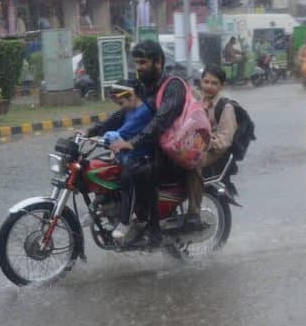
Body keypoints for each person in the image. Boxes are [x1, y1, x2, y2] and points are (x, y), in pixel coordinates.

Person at [101, 40, 190, 244]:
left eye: (143, 63)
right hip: (150, 148)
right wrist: (93, 130)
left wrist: (132, 142)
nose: (138, 68)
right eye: (136, 63)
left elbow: (160, 121)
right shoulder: (143, 87)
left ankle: (152, 227)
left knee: (136, 171)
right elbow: (123, 113)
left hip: (171, 153)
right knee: (108, 166)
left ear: (158, 62)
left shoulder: (173, 87)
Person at [97, 87, 155, 243]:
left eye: (121, 102)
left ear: (132, 96)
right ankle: (105, 208)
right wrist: (89, 132)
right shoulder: (128, 110)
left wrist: (104, 138)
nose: (120, 107)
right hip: (127, 154)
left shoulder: (143, 112)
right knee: (102, 168)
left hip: (142, 156)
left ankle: (125, 221)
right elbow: (109, 124)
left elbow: (121, 133)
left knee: (128, 176)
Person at [186, 66, 236, 222]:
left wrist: (205, 143)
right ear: (201, 82)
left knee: (192, 164)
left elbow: (224, 140)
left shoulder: (226, 107)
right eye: (206, 82)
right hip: (192, 145)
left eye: (214, 83)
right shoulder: (196, 101)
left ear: (221, 86)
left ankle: (194, 210)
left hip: (213, 150)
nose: (209, 86)